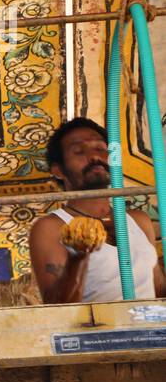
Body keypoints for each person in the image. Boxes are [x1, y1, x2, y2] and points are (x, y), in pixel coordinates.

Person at [28, 117, 166, 303]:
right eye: (79, 152)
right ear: (58, 170)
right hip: (100, 330)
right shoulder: (51, 227)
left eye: (101, 149)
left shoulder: (139, 220)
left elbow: (157, 288)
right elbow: (57, 307)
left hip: (150, 329)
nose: (94, 157)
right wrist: (77, 258)